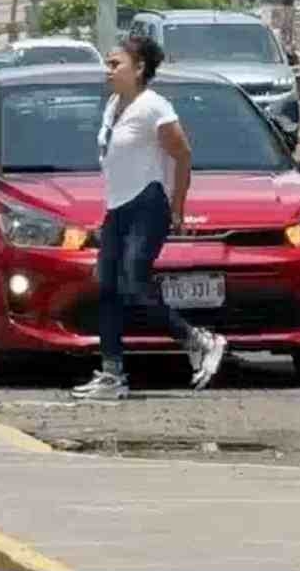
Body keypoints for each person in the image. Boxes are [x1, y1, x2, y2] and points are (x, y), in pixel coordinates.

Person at [72, 36, 228, 402]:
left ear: (139, 68)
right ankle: (112, 375)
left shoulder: (154, 107)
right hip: (117, 208)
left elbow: (183, 154)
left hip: (148, 204)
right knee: (107, 287)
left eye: (115, 64)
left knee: (133, 284)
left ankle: (199, 340)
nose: (107, 71)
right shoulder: (114, 105)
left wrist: (178, 205)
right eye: (107, 64)